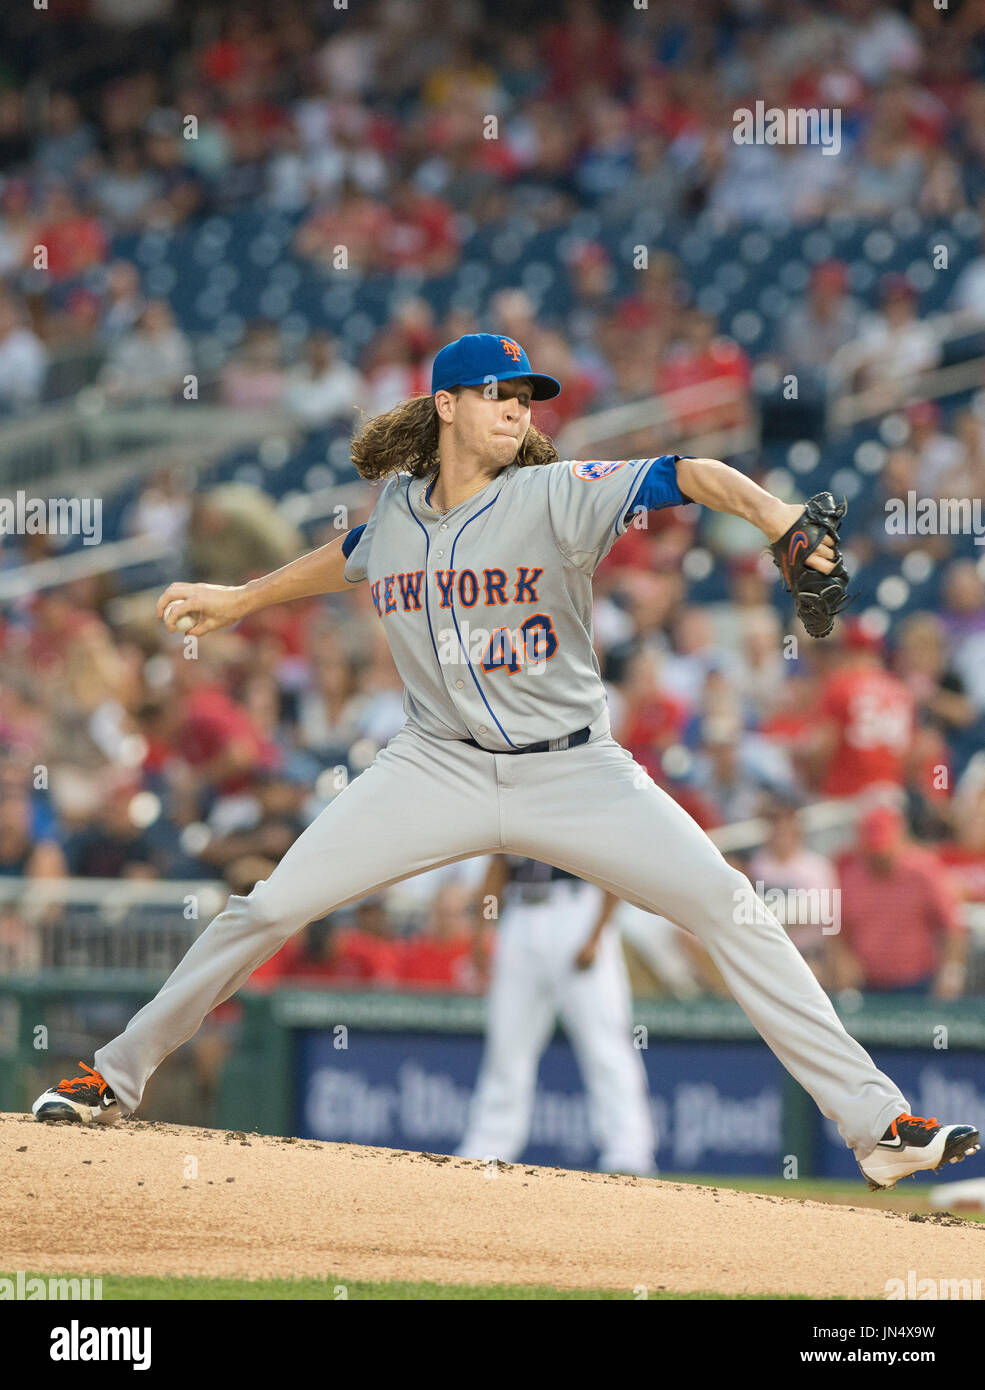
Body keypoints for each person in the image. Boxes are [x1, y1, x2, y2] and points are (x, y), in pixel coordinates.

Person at [34, 332, 979, 1194]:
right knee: (269, 905)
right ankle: (114, 1076)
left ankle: (875, 1126)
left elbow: (687, 472)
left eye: (526, 397)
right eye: (497, 394)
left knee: (729, 908)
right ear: (444, 405)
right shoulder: (398, 511)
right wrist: (240, 602)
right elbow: (355, 554)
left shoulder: (554, 493)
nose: (518, 410)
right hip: (432, 768)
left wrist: (778, 522)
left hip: (574, 774)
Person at [459, 855, 656, 1176]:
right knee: (507, 1046)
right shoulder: (512, 805)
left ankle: (629, 1152)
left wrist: (597, 934)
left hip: (579, 907)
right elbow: (498, 865)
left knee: (605, 1044)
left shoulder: (589, 803)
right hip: (520, 912)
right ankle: (487, 1148)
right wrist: (482, 928)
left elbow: (615, 863)